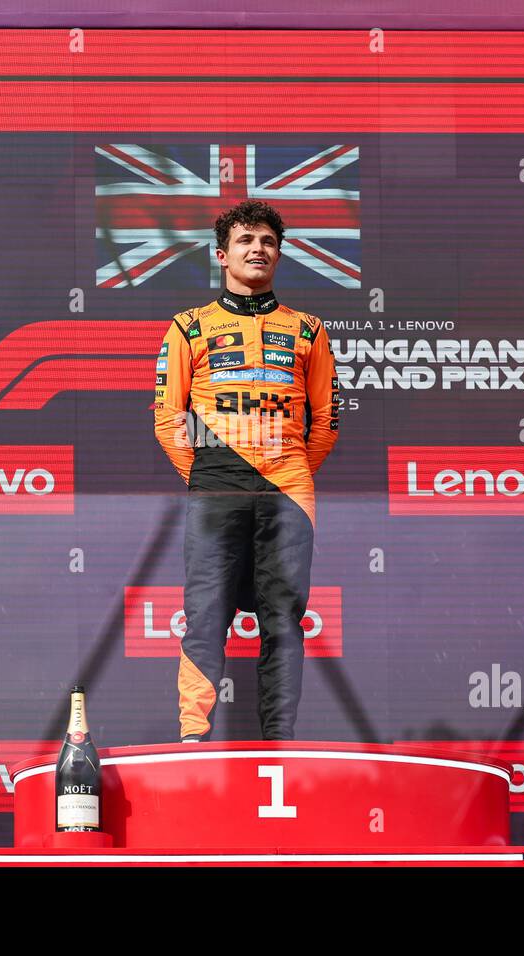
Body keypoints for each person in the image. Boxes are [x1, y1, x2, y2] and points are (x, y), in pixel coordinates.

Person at [154, 199, 339, 742]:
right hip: (216, 484)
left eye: (268, 243)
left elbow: (325, 419)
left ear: (278, 255)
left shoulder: (308, 329)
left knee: (282, 618)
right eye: (245, 241)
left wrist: (291, 467)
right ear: (221, 255)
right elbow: (169, 420)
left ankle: (277, 741)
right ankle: (193, 736)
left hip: (289, 486)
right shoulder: (189, 327)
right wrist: (210, 473)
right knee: (206, 614)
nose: (257, 249)